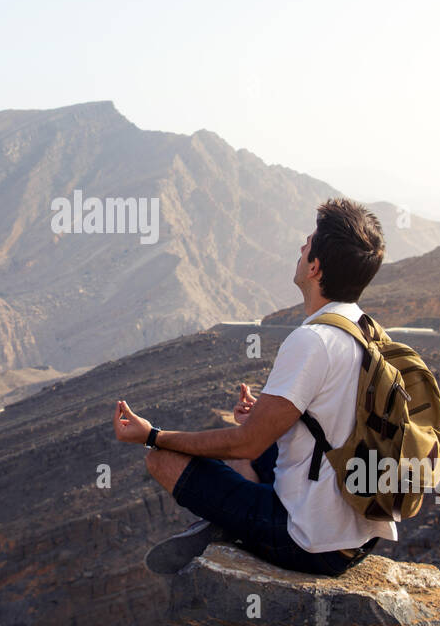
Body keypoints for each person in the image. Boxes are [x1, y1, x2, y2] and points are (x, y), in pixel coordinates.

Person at [112, 196, 396, 575]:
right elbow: (333, 420)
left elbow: (247, 443)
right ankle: (235, 521)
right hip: (358, 534)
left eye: (309, 242)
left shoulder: (312, 340)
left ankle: (238, 531)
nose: (301, 246)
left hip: (311, 541)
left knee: (164, 459)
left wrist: (153, 435)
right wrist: (264, 414)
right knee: (245, 448)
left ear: (314, 267)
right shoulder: (366, 331)